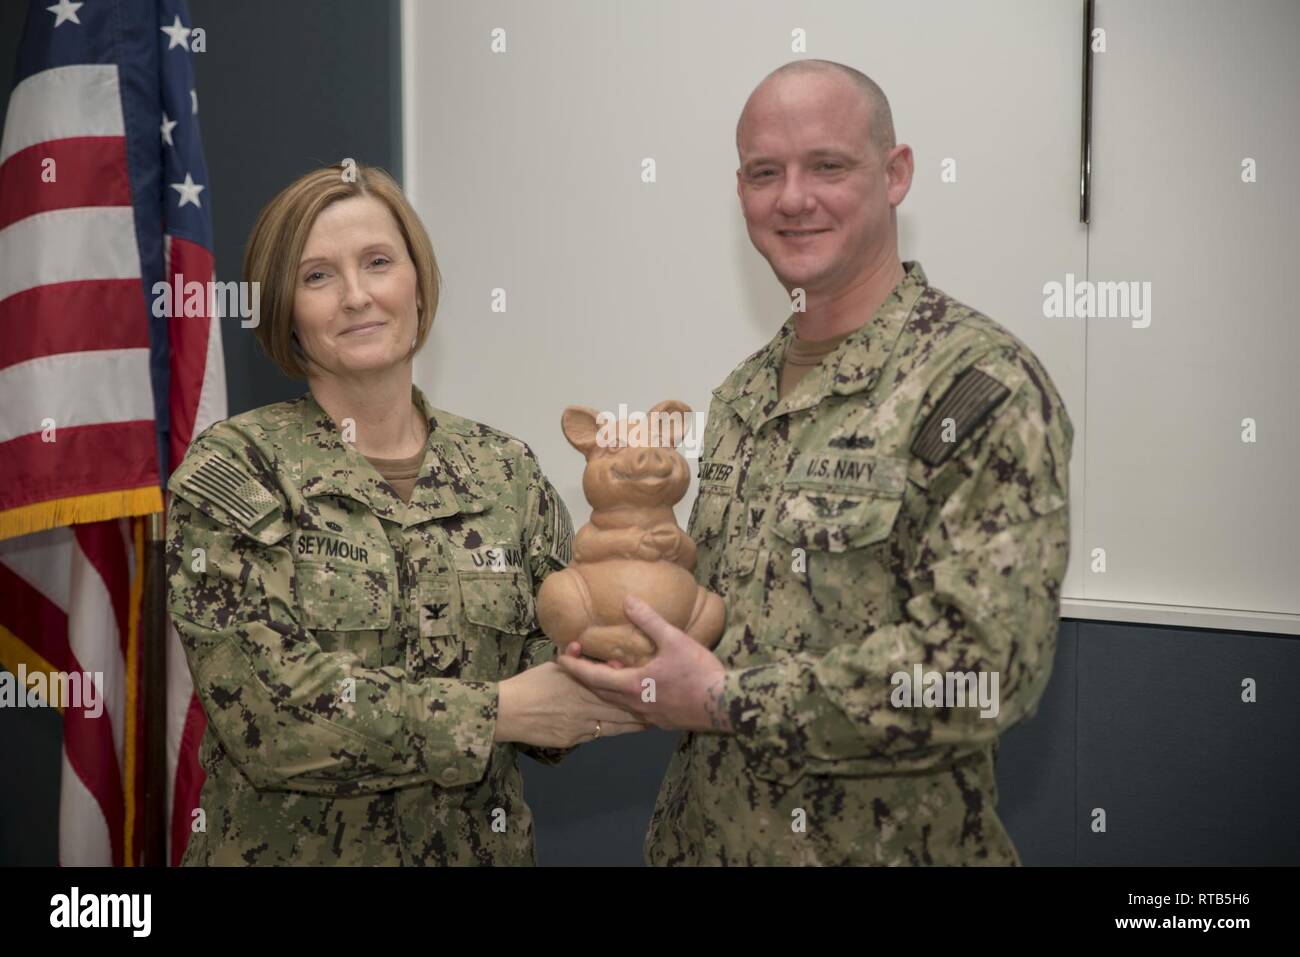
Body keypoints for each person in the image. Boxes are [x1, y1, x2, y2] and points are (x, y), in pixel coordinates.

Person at [557, 60, 1074, 865]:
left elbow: (984, 671)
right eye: (766, 173)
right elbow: (712, 624)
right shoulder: (741, 397)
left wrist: (730, 698)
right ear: (741, 193)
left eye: (827, 165)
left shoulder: (976, 387)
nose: (793, 198)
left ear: (896, 173)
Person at [166, 164, 645, 865]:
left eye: (379, 263)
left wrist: (634, 631)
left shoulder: (504, 470)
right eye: (318, 276)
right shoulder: (235, 469)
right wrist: (498, 712)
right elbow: (268, 721)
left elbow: (557, 684)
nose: (357, 296)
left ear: (417, 284)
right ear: (284, 310)